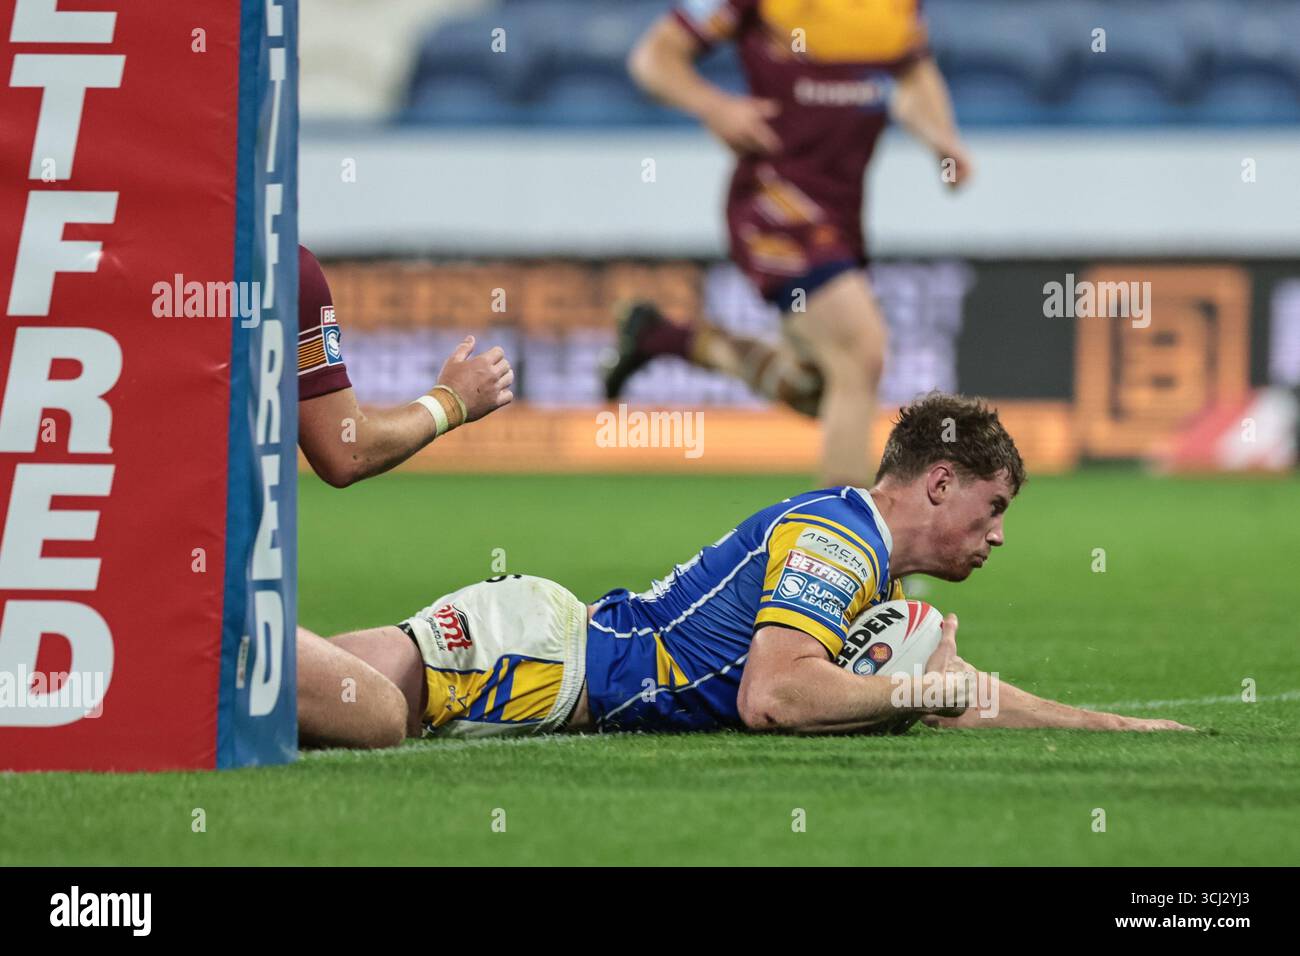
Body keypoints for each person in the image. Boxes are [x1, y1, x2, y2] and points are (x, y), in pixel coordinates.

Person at [298, 394, 1193, 746]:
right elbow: (776, 695)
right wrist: (919, 695)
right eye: (993, 509)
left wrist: (1111, 726)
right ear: (942, 481)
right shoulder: (839, 546)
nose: (998, 536)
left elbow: (963, 693)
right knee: (335, 712)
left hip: (556, 664)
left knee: (301, 713)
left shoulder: (862, 559)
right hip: (542, 661)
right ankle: (210, 638)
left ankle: (213, 657)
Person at [604, 0, 972, 487]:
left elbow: (913, 77)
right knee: (861, 352)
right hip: (775, 203)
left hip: (842, 216)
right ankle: (845, 549)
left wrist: (941, 139)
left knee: (820, 387)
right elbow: (653, 57)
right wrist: (715, 106)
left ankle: (666, 337)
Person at [294, 244, 515, 746]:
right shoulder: (278, 264)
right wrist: (449, 403)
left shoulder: (95, 252)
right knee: (378, 711)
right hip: (202, 607)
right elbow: (345, 450)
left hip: (87, 571)